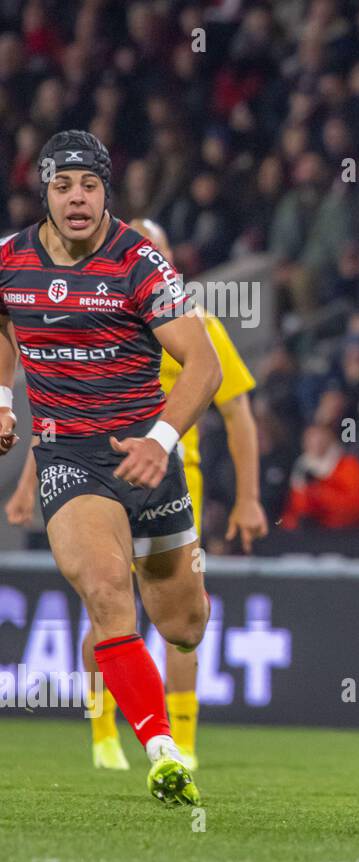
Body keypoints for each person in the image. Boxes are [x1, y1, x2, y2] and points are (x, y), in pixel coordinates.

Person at [0, 130, 221, 805]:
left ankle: (180, 601)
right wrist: (2, 400)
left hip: (146, 457)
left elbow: (204, 365)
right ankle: (161, 751)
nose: (77, 198)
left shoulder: (139, 262)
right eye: (63, 185)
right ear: (44, 192)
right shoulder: (9, 260)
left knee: (185, 626)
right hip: (68, 456)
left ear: (106, 193)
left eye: (89, 186)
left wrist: (160, 440)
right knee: (104, 591)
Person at [4, 218, 265, 773]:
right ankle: (117, 737)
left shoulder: (196, 323)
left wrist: (248, 497)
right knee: (105, 596)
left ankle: (184, 741)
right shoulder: (86, 309)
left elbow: (237, 412)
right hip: (87, 469)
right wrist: (29, 479)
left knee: (183, 627)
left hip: (172, 475)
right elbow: (60, 405)